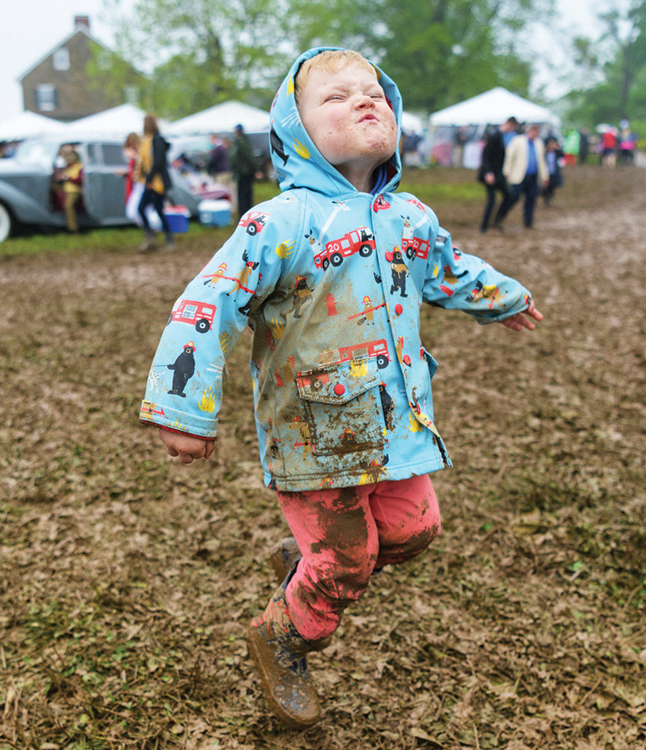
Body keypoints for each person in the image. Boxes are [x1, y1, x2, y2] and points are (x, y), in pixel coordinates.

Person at [138, 47, 543, 729]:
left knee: (416, 530)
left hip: (395, 424)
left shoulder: (409, 216)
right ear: (294, 130)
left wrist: (501, 296)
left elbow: (448, 270)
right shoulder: (278, 223)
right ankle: (283, 635)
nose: (364, 101)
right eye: (336, 97)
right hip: (315, 432)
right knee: (350, 563)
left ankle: (309, 568)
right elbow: (206, 306)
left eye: (376, 93)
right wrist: (184, 411)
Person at [494, 123, 549, 230]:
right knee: (513, 197)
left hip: (532, 176)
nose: (535, 134)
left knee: (531, 199)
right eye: (533, 131)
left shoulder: (539, 144)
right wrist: (506, 170)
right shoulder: (518, 141)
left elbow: (542, 162)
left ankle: (528, 222)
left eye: (536, 132)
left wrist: (545, 177)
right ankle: (499, 218)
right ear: (528, 131)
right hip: (519, 176)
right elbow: (510, 157)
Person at [136, 114, 174, 253]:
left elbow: (158, 162)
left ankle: (168, 239)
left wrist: (149, 179)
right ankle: (152, 236)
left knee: (157, 210)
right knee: (143, 209)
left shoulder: (156, 140)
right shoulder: (147, 141)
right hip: (151, 181)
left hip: (157, 182)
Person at [477, 116, 519, 233]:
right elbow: (486, 155)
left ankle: (497, 220)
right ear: (509, 124)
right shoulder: (495, 136)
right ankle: (484, 227)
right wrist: (488, 173)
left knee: (509, 196)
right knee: (492, 200)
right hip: (491, 175)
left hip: (498, 175)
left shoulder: (501, 136)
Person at [51, 147, 83, 234]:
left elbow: (79, 181)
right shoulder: (67, 168)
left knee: (68, 206)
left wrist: (68, 178)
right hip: (66, 189)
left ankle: (73, 229)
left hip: (75, 191)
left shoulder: (79, 167)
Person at [230, 124, 256, 218]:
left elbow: (248, 156)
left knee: (244, 194)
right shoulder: (241, 141)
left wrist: (255, 169)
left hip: (244, 172)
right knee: (244, 194)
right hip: (243, 172)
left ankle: (245, 214)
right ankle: (245, 214)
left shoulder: (241, 142)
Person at [541, 136, 563, 206]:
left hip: (553, 172)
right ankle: (545, 197)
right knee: (545, 187)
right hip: (546, 173)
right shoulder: (544, 152)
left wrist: (557, 148)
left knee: (552, 186)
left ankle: (549, 198)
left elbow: (562, 155)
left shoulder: (556, 152)